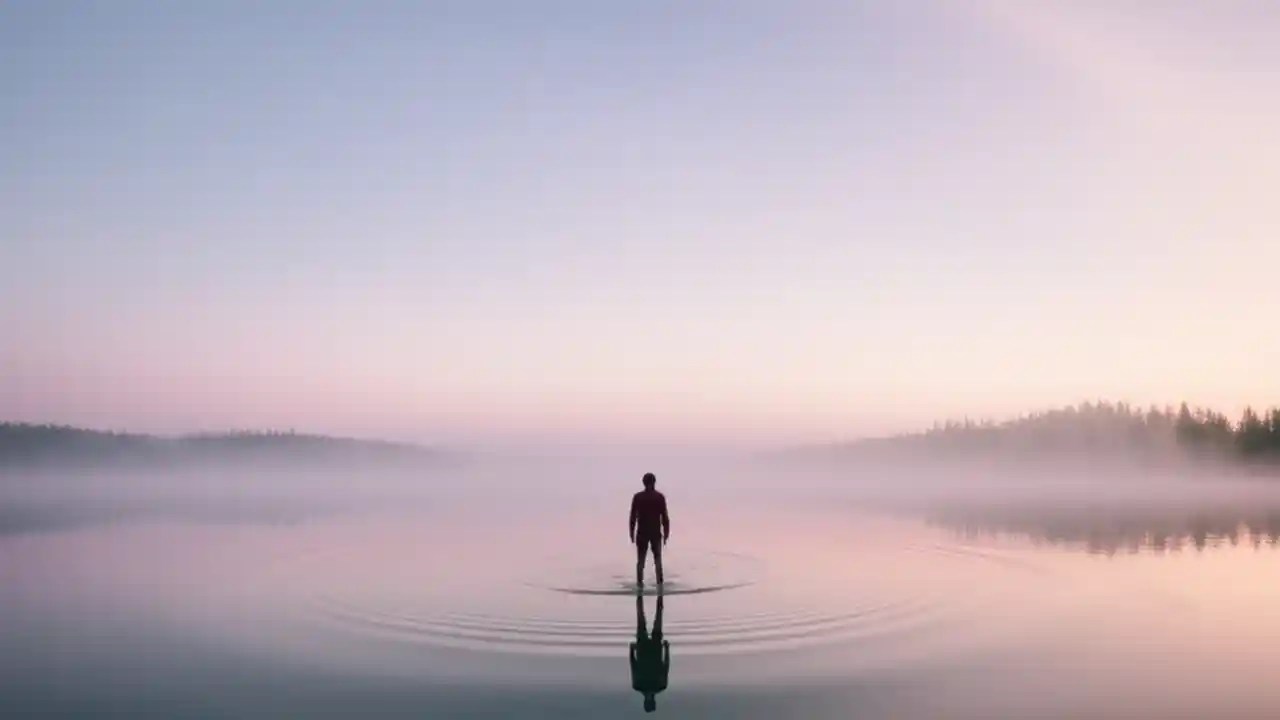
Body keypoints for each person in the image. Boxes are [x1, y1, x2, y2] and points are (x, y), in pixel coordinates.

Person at [630, 592, 669, 713]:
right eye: (650, 702)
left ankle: (647, 594)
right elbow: (665, 667)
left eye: (648, 702)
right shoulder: (657, 686)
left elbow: (633, 667)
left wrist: (632, 650)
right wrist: (631, 650)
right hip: (651, 651)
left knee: (648, 616)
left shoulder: (639, 686)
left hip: (647, 651)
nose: (649, 699)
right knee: (645, 615)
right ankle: (647, 594)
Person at [629, 472, 670, 587]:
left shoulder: (638, 497)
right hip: (655, 533)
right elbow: (665, 517)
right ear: (654, 482)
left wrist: (631, 533)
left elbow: (632, 517)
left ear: (643, 483)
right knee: (657, 560)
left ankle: (639, 583)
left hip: (642, 533)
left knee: (640, 561)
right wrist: (666, 533)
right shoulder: (659, 497)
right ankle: (660, 583)